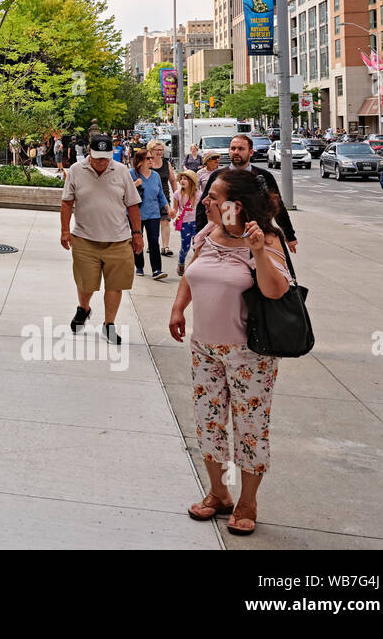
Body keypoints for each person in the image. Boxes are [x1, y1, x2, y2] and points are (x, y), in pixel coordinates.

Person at [169, 167, 293, 537]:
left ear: (236, 206)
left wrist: (258, 252)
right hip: (204, 348)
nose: (206, 200)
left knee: (250, 429)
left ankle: (247, 502)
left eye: (214, 197)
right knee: (208, 423)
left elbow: (275, 292)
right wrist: (178, 308)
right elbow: (191, 273)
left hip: (249, 354)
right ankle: (219, 493)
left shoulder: (267, 240)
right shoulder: (208, 233)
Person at [60, 133, 144, 346]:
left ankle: (109, 324)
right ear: (89, 152)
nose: (101, 162)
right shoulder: (76, 171)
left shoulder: (122, 171)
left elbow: (132, 204)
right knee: (86, 283)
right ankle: (84, 308)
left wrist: (137, 234)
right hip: (85, 238)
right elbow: (67, 203)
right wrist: (64, 231)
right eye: (97, 157)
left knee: (116, 285)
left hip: (118, 239)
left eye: (105, 158)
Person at [195, 134, 297, 253]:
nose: (236, 152)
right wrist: (200, 235)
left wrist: (289, 235)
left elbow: (278, 206)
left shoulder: (263, 176)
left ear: (251, 152)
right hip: (225, 238)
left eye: (241, 149)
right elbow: (202, 207)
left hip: (257, 236)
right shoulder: (218, 176)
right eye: (233, 149)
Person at [131, 149, 167, 281]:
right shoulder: (131, 174)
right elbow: (124, 193)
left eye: (152, 158)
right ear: (140, 161)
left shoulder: (155, 176)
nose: (152, 160)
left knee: (154, 242)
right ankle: (139, 266)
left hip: (153, 213)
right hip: (136, 214)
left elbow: (160, 194)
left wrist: (168, 207)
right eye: (148, 158)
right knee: (137, 240)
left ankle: (156, 270)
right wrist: (134, 185)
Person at [148, 139, 178, 257]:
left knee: (165, 220)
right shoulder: (147, 163)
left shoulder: (167, 163)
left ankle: (165, 247)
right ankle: (152, 244)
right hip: (149, 197)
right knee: (152, 222)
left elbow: (173, 180)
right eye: (157, 150)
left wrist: (177, 194)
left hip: (164, 196)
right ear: (151, 151)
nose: (160, 152)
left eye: (161, 150)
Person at [172, 169, 199, 276]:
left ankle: (196, 267)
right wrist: (172, 212)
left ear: (192, 181)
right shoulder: (177, 194)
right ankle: (181, 262)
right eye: (181, 179)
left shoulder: (199, 194)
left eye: (185, 179)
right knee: (185, 246)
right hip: (184, 223)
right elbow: (175, 208)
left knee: (196, 245)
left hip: (196, 222)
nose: (182, 181)